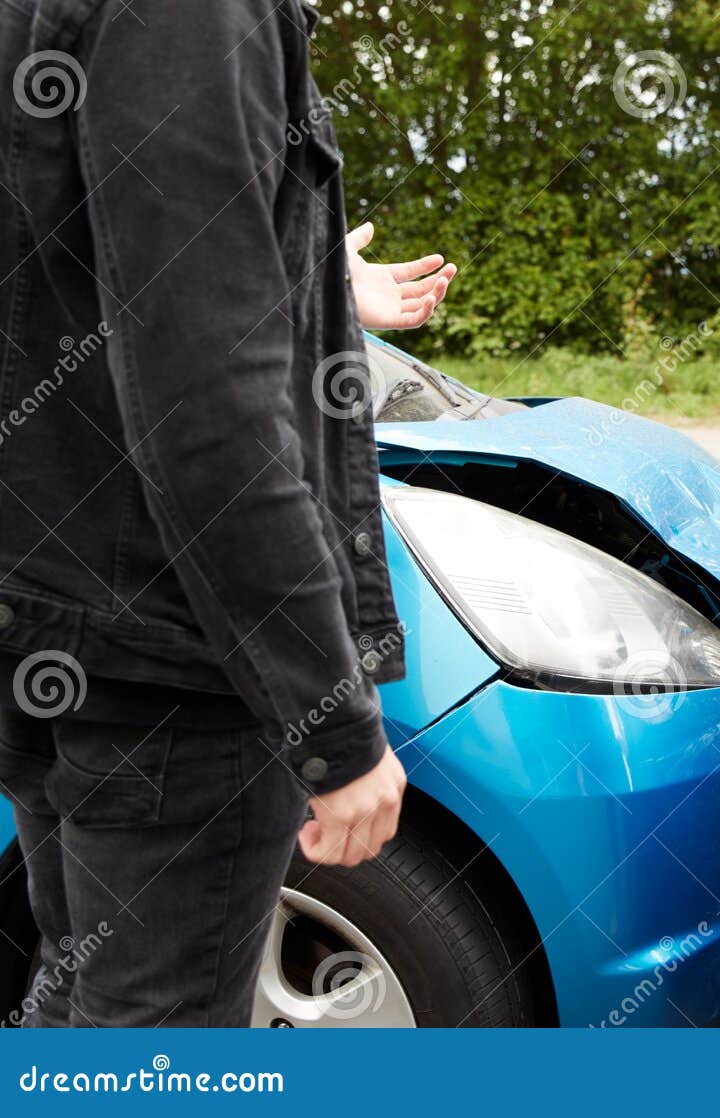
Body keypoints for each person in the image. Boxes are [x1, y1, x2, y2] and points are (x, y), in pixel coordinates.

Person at [0, 0, 454, 1026]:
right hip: (165, 653)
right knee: (149, 1038)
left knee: (83, 991)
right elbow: (207, 401)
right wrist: (330, 724)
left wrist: (314, 275)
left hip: (59, 613)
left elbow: (73, 240)